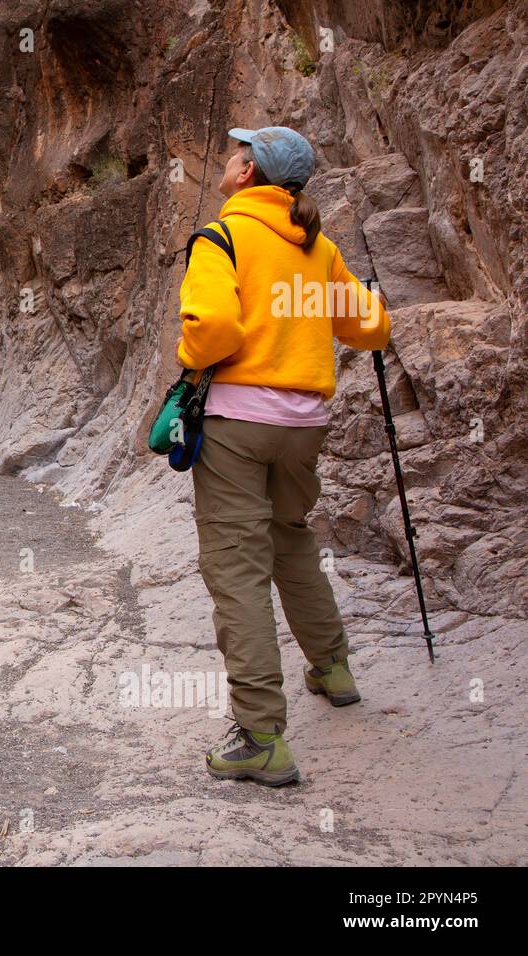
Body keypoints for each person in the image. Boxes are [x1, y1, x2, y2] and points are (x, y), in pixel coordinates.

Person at [176, 126, 391, 786]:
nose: (224, 157)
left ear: (246, 174)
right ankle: (332, 668)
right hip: (305, 427)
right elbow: (371, 328)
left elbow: (211, 329)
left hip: (238, 425)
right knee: (291, 539)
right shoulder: (318, 247)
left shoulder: (225, 237)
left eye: (231, 151)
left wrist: (192, 361)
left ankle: (262, 737)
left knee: (237, 569)